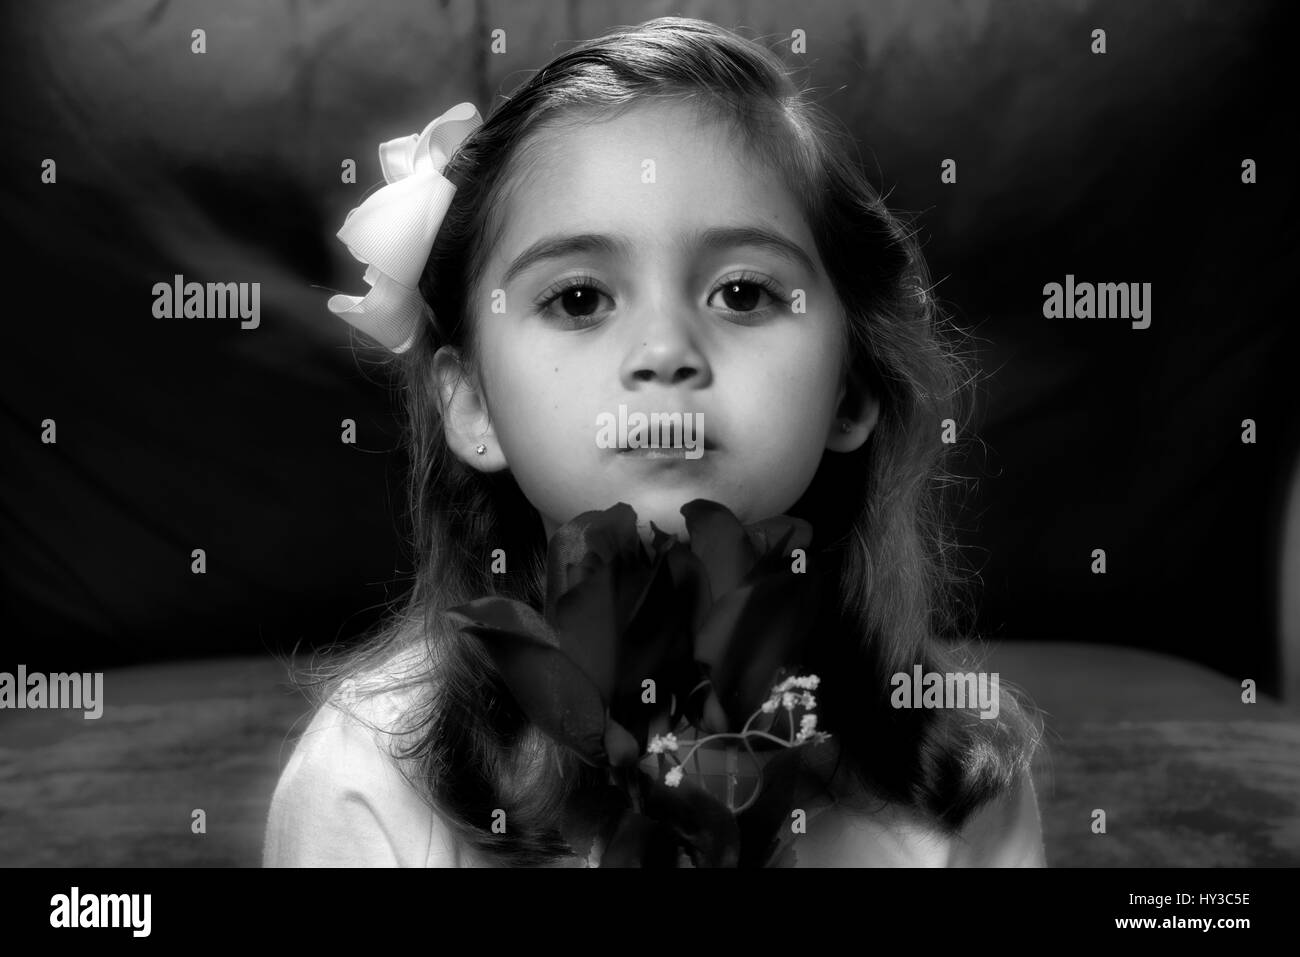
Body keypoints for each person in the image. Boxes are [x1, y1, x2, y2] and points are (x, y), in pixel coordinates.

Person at [264, 16, 1047, 867]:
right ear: (474, 405)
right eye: (577, 300)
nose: (666, 352)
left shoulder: (953, 774)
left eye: (743, 293)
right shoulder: (370, 778)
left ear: (850, 389)